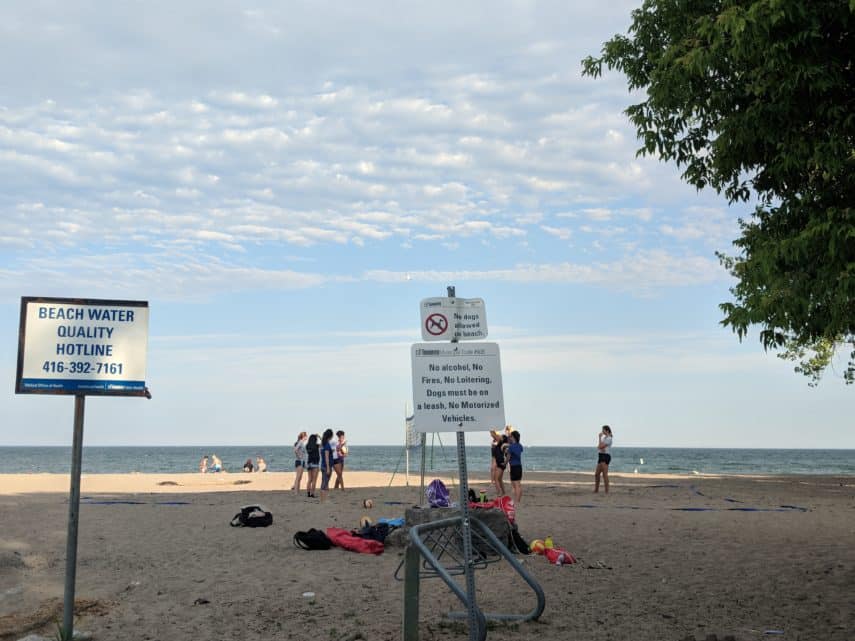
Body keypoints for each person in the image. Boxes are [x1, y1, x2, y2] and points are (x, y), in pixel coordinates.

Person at [505, 430, 524, 504]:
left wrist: (504, 463)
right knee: (518, 484)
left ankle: (517, 501)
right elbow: (518, 452)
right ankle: (518, 499)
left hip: (514, 467)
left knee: (516, 485)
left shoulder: (511, 447)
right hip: (519, 467)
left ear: (513, 437)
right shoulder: (520, 446)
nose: (510, 438)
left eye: (511, 436)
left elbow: (508, 457)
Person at [595, 425, 613, 493]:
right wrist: (600, 446)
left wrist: (599, 438)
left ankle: (606, 491)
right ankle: (596, 489)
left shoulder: (609, 438)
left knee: (604, 474)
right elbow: (599, 447)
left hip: (605, 456)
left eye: (603, 430)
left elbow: (601, 446)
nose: (602, 431)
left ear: (607, 430)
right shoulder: (604, 438)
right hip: (601, 455)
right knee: (597, 474)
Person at [490, 430, 507, 497]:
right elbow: (494, 435)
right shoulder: (501, 444)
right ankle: (503, 492)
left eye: (501, 437)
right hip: (500, 463)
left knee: (496, 479)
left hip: (500, 464)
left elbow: (494, 435)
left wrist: (491, 428)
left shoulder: (501, 444)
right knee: (499, 479)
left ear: (502, 439)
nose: (499, 436)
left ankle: (499, 493)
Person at [320, 428, 334, 502]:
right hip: (326, 466)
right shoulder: (327, 445)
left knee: (325, 482)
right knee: (324, 483)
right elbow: (326, 457)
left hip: (323, 465)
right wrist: (328, 468)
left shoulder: (323, 444)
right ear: (330, 436)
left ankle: (325, 499)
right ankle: (323, 500)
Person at [305, 434, 320, 498]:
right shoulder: (316, 445)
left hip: (309, 463)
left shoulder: (307, 446)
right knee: (314, 480)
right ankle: (312, 494)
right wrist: (319, 436)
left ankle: (308, 493)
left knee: (309, 479)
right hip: (315, 463)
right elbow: (324, 443)